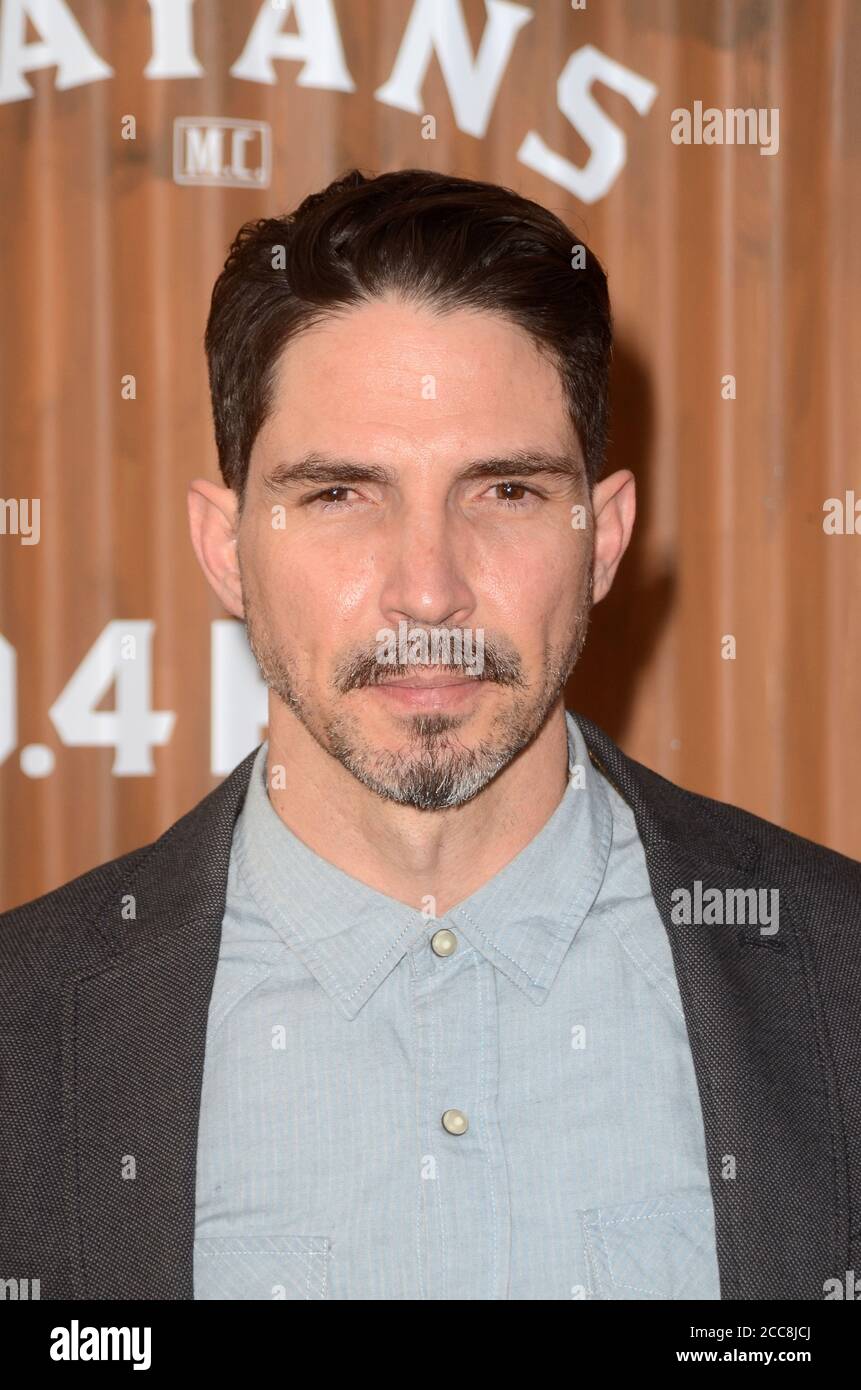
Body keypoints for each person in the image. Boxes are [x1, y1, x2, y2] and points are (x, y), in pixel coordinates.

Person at [1, 168, 859, 1302]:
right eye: (341, 493)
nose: (427, 589)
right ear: (225, 549)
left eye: (502, 491)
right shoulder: (24, 1031)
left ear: (602, 538)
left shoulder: (837, 973)